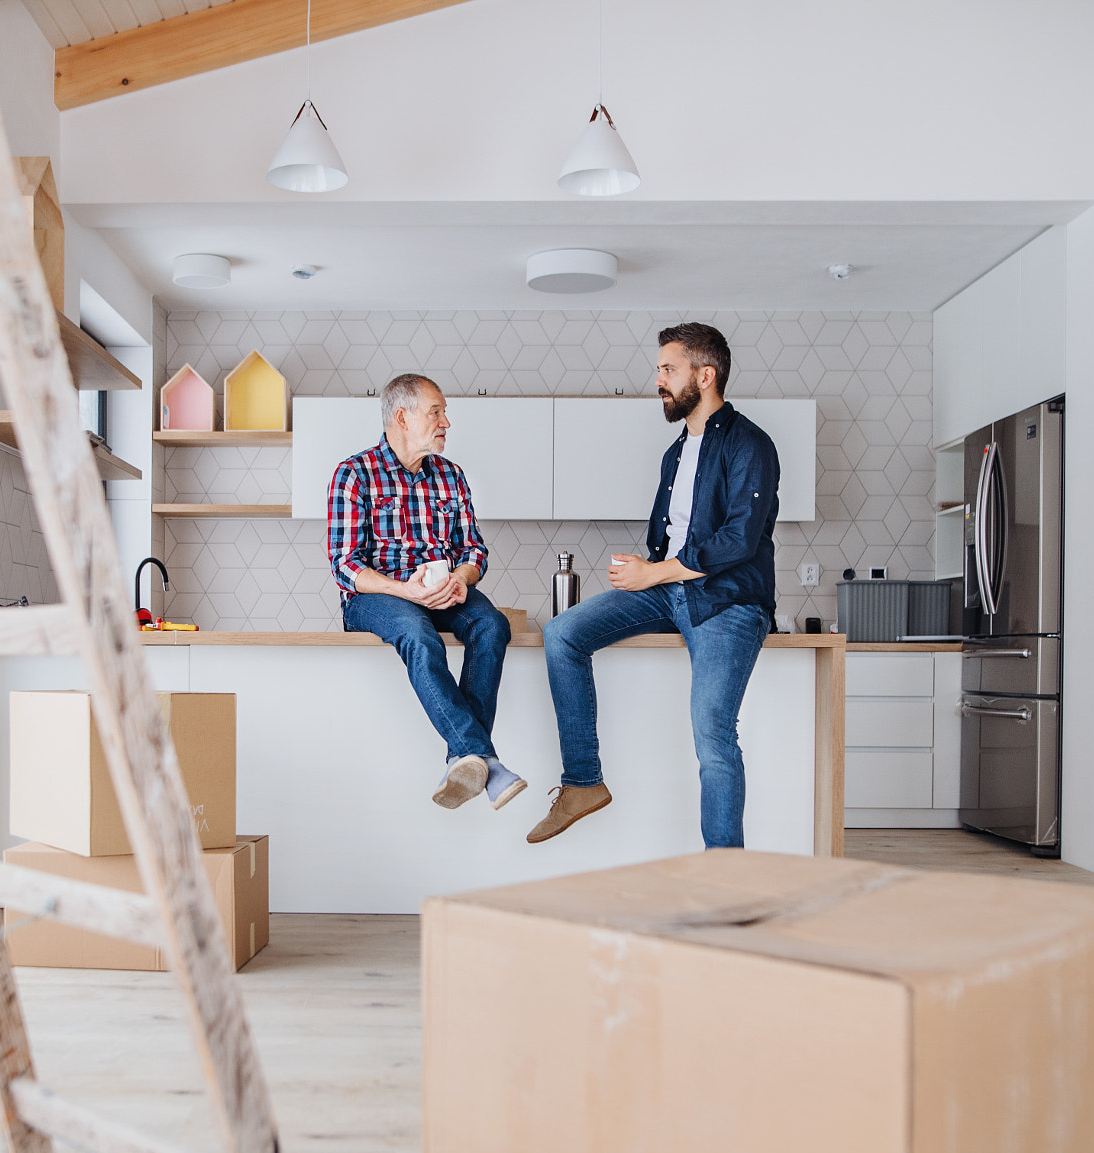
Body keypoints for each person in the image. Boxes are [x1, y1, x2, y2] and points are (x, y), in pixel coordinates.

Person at [528, 323, 781, 848]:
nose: (659, 380)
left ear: (704, 375)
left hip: (729, 604)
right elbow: (674, 540)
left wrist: (654, 572)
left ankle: (723, 868)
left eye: (669, 369)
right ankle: (583, 781)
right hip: (671, 591)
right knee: (562, 635)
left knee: (713, 732)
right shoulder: (675, 454)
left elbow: (739, 538)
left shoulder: (750, 444)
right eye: (660, 369)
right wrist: (647, 567)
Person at [329, 373, 527, 811]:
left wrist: (462, 577)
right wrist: (406, 591)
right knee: (419, 636)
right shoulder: (353, 474)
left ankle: (464, 756)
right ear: (401, 417)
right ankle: (487, 762)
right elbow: (345, 566)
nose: (446, 422)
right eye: (435, 412)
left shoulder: (451, 477)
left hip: (443, 589)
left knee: (492, 625)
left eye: (444, 412)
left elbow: (474, 549)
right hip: (377, 597)